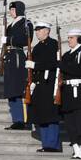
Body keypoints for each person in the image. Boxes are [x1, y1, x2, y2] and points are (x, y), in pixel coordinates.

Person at [59, 29, 81, 160]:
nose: (69, 40)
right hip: (67, 89)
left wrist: (63, 66)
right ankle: (76, 149)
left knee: (80, 120)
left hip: (78, 89)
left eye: (71, 38)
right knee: (69, 121)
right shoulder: (67, 54)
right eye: (68, 38)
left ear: (79, 38)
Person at [27, 21, 62, 153]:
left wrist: (35, 65)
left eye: (39, 29)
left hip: (49, 85)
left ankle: (52, 144)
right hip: (39, 85)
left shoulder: (52, 44)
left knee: (50, 116)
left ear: (47, 31)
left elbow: (52, 63)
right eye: (36, 30)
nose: (37, 32)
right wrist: (32, 82)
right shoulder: (37, 47)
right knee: (42, 115)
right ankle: (46, 143)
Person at [2, 1, 32, 130]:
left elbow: (25, 40)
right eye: (10, 9)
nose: (11, 12)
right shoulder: (11, 25)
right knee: (11, 89)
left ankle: (22, 119)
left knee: (18, 88)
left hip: (17, 56)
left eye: (13, 9)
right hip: (9, 56)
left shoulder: (26, 23)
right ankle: (16, 118)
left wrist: (9, 40)